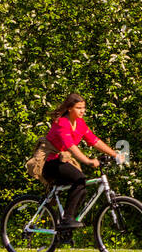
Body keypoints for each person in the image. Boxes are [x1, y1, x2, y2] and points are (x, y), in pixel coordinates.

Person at [44, 92, 125, 230]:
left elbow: (94, 141)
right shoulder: (62, 123)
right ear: (70, 108)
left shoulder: (80, 123)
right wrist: (88, 161)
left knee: (82, 189)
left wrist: (115, 154)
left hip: (62, 161)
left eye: (84, 108)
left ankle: (66, 225)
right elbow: (71, 146)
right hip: (50, 162)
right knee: (80, 179)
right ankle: (66, 220)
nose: (82, 111)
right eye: (78, 108)